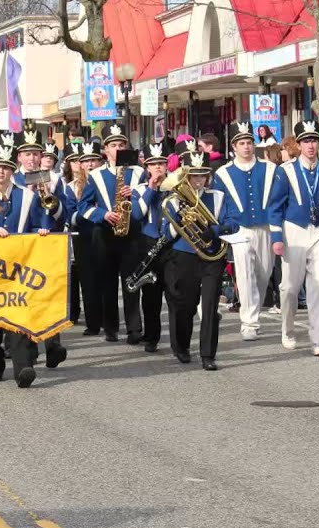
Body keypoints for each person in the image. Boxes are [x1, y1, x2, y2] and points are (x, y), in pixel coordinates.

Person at [0, 143, 65, 388]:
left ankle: (23, 368)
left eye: (6, 168)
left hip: (19, 268)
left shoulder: (27, 196)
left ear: (12, 169)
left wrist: (41, 230)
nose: (1, 172)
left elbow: (46, 223)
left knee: (18, 315)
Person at [268, 121, 319, 356]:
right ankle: (287, 330)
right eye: (305, 141)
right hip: (294, 230)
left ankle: (317, 339)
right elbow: (275, 206)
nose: (310, 145)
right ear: (298, 145)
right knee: (290, 286)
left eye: (314, 140)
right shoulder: (286, 170)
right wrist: (277, 237)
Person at [161, 151, 239, 370]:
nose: (198, 180)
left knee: (210, 305)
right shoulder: (175, 200)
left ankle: (208, 354)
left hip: (212, 256)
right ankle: (182, 346)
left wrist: (214, 230)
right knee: (186, 304)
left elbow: (234, 222)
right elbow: (165, 233)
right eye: (194, 176)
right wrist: (178, 223)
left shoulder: (218, 196)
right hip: (185, 255)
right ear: (185, 176)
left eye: (202, 176)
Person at [76, 123, 146, 343]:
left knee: (132, 280)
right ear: (105, 150)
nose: (118, 148)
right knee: (107, 282)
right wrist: (103, 214)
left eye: (121, 144)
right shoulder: (96, 175)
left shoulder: (139, 172)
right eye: (113, 145)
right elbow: (83, 207)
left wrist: (134, 194)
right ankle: (111, 327)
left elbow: (149, 200)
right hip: (105, 231)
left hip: (132, 231)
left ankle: (134, 328)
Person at [210, 122, 279, 341]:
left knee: (263, 273)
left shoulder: (269, 168)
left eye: (249, 142)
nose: (247, 147)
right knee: (245, 275)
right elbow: (219, 204)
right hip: (240, 231)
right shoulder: (223, 173)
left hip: (265, 227)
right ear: (234, 147)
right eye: (242, 143)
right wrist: (227, 223)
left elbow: (278, 199)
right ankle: (249, 322)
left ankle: (253, 311)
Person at [128, 143, 169, 353]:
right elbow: (137, 215)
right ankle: (152, 337)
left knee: (176, 295)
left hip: (172, 243)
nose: (159, 168)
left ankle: (180, 341)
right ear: (147, 167)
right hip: (149, 245)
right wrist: (152, 188)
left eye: (162, 163)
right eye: (154, 164)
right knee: (151, 296)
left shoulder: (176, 186)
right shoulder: (139, 190)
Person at [61, 139, 101, 324]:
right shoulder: (72, 187)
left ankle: (105, 319)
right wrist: (90, 212)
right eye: (86, 161)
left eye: (94, 160)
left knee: (103, 277)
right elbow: (70, 217)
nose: (90, 164)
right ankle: (92, 321)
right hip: (83, 235)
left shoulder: (105, 181)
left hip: (104, 233)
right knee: (86, 278)